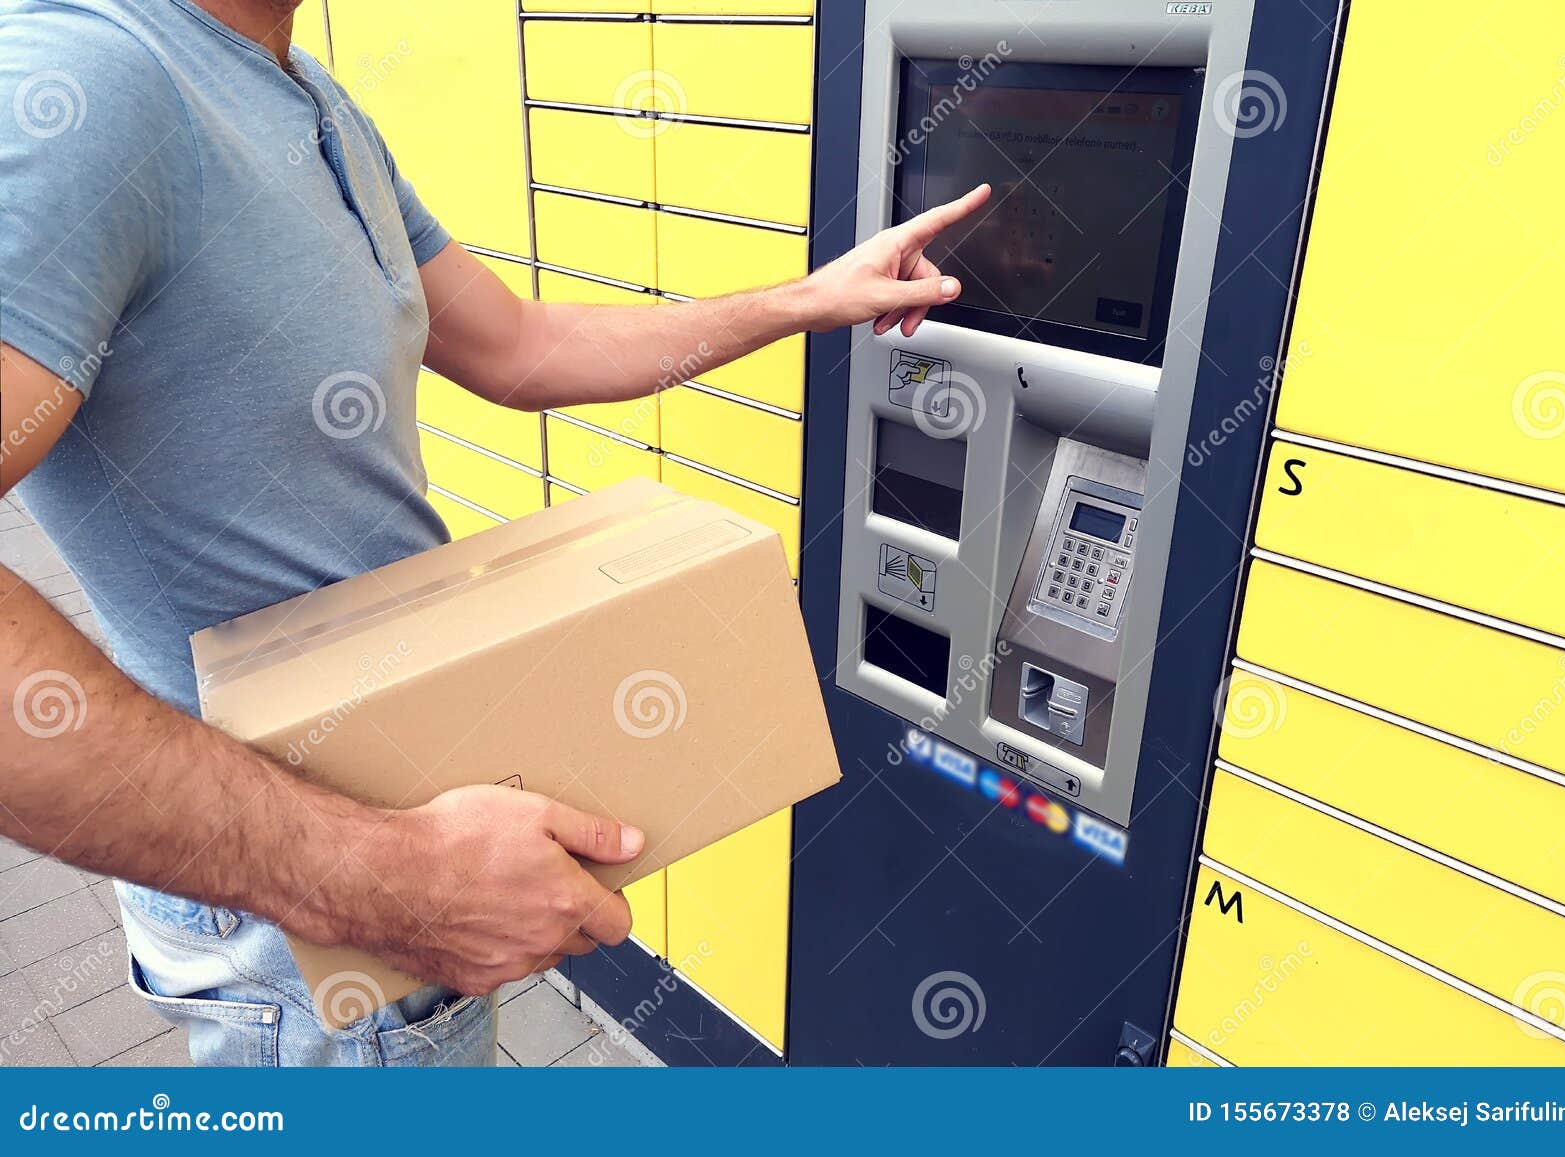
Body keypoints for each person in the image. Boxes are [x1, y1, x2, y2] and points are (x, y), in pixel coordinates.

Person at [0, 0, 990, 1066]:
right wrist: (378, 874)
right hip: (299, 922)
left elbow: (522, 346)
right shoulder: (86, 83)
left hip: (388, 852)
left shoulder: (305, 90)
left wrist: (805, 299)